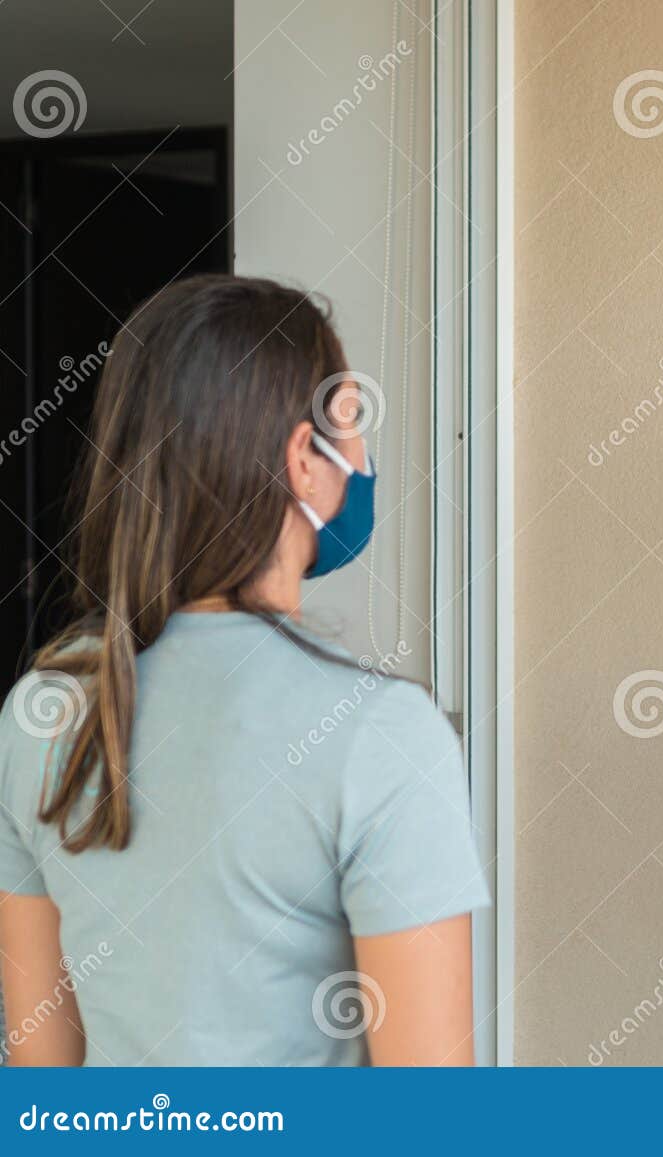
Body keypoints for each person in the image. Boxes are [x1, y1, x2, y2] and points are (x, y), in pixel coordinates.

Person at [0, 275, 487, 1066]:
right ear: (303, 458)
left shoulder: (42, 712)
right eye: (352, 422)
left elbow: (42, 1082)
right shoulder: (384, 733)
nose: (362, 456)